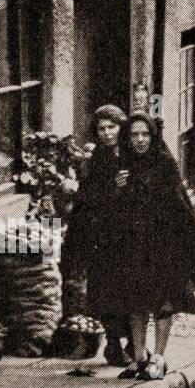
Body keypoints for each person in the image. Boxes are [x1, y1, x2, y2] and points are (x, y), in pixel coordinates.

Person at [119, 111, 195, 380]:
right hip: (134, 244)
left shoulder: (165, 163)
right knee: (135, 301)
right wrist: (118, 188)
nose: (140, 140)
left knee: (162, 302)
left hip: (162, 245)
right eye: (134, 134)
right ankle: (139, 356)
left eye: (145, 134)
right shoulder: (123, 163)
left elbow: (179, 204)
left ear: (153, 136)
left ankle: (159, 357)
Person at [61, 104, 132, 366]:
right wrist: (113, 189)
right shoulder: (96, 162)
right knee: (105, 292)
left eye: (111, 127)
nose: (106, 133)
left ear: (120, 127)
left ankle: (135, 344)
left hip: (129, 236)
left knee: (132, 290)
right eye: (101, 128)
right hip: (103, 238)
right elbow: (89, 200)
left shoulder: (131, 155)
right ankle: (113, 344)